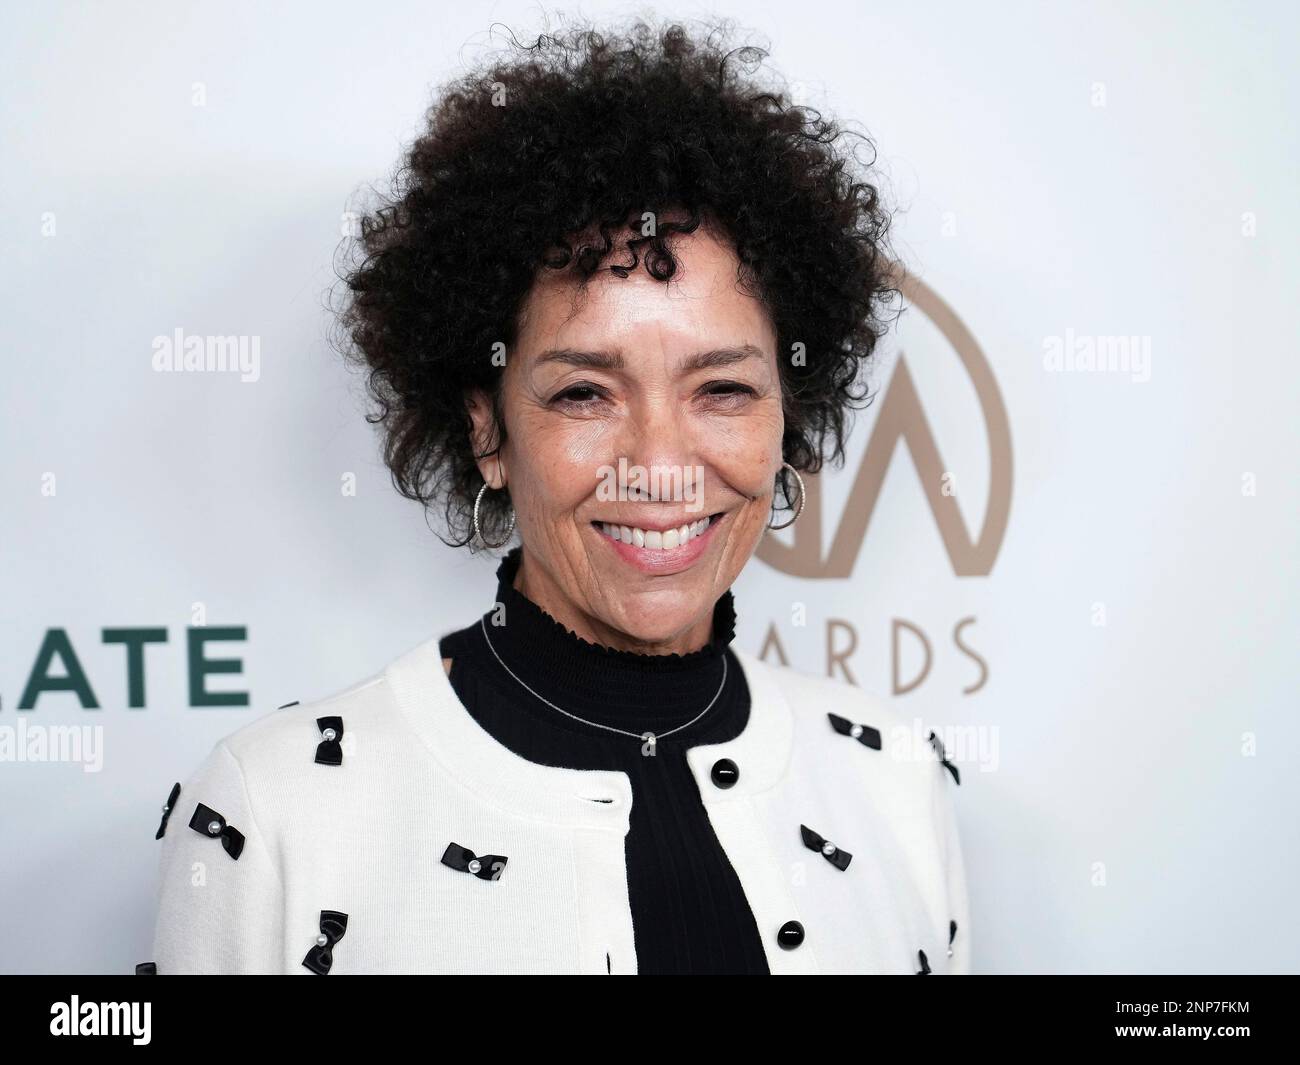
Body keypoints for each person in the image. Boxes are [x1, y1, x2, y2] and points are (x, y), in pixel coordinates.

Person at [144, 16, 969, 975]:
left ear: (789, 413)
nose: (660, 463)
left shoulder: (896, 782)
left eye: (724, 389)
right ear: (488, 430)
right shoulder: (275, 809)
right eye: (585, 391)